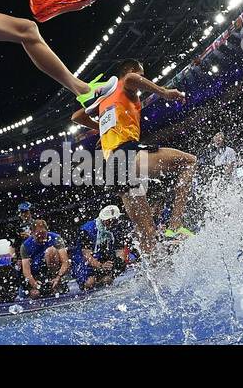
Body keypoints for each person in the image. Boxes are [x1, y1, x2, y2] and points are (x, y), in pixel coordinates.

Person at [70, 59, 194, 254]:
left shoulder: (103, 99)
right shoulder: (124, 84)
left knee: (147, 231)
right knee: (188, 162)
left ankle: (154, 274)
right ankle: (176, 226)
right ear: (131, 70)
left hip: (111, 168)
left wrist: (102, 130)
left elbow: (76, 117)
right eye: (141, 74)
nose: (141, 79)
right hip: (127, 153)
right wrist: (164, 92)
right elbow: (130, 78)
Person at [72, 205, 127, 292]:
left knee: (107, 280)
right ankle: (92, 279)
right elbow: (86, 255)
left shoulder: (116, 228)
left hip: (104, 256)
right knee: (90, 283)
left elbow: (120, 250)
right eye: (114, 220)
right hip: (84, 261)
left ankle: (102, 277)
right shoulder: (86, 230)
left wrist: (118, 261)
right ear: (107, 220)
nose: (117, 222)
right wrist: (100, 266)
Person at [19, 220, 70, 297]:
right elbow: (26, 272)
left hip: (52, 271)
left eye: (43, 234)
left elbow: (65, 262)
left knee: (51, 251)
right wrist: (35, 285)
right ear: (32, 233)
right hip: (37, 274)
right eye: (38, 235)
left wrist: (58, 277)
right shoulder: (25, 246)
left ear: (47, 231)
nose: (41, 237)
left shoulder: (55, 238)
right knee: (35, 294)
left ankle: (55, 282)